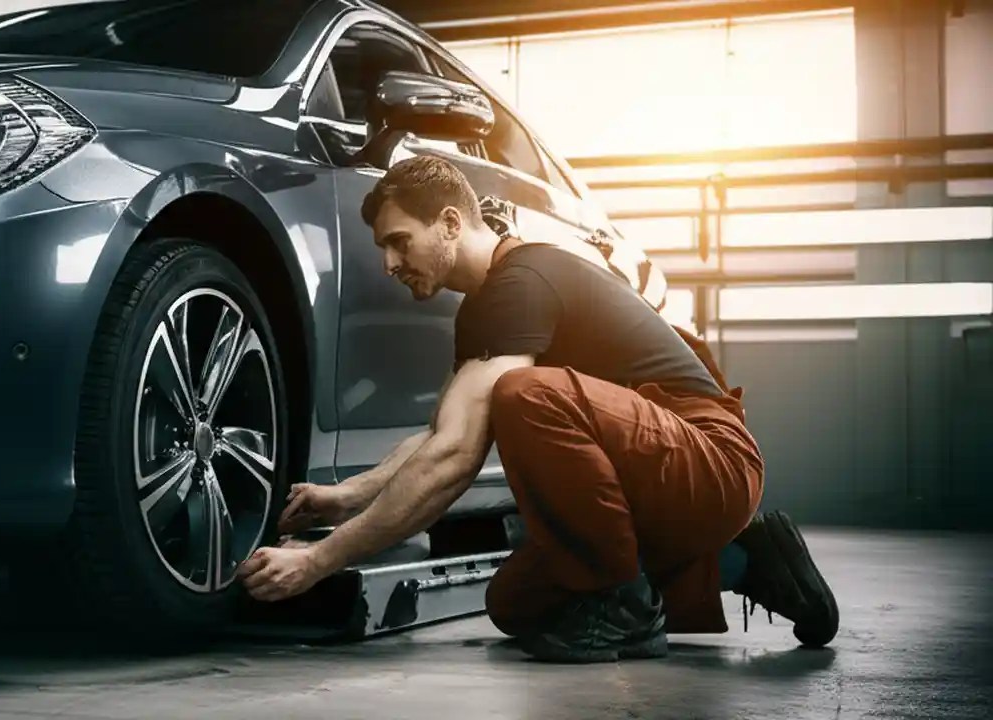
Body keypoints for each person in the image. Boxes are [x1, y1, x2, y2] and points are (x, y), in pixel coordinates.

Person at [236, 155, 838, 663]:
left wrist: (318, 559)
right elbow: (439, 435)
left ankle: (627, 603)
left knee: (523, 397)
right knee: (515, 603)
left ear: (450, 223)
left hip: (711, 461)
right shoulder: (488, 306)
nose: (390, 263)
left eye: (400, 241)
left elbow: (453, 460)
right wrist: (344, 498)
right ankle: (747, 560)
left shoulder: (524, 280)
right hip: (661, 480)